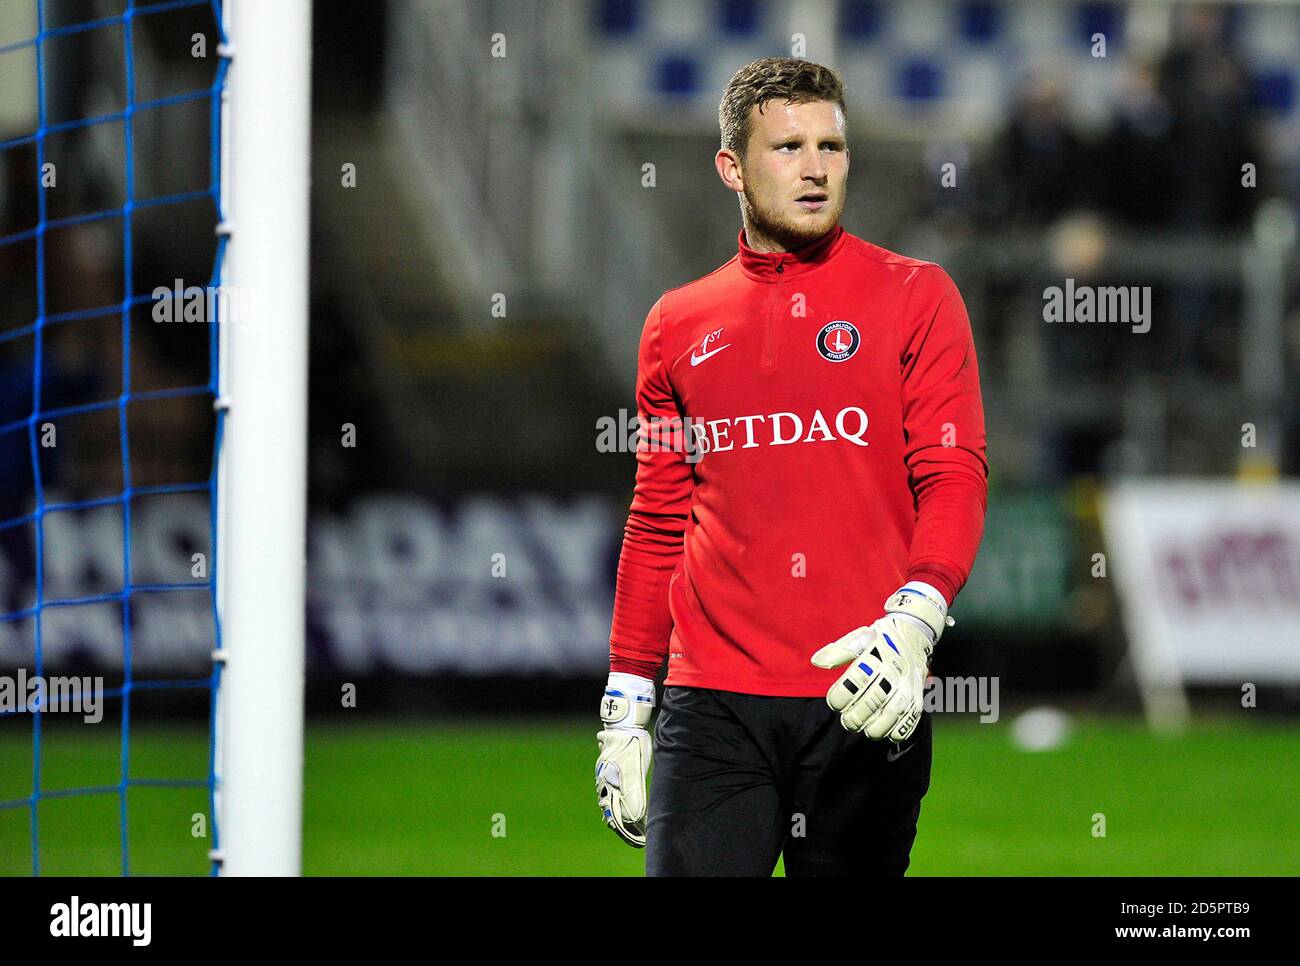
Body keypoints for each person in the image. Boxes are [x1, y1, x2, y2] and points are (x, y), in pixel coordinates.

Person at [595, 57, 988, 876]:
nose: (815, 169)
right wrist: (627, 700)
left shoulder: (917, 295)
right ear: (732, 167)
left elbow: (953, 475)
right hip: (711, 708)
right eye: (788, 148)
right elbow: (658, 520)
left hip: (866, 690)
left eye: (831, 147)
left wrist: (916, 622)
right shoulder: (676, 323)